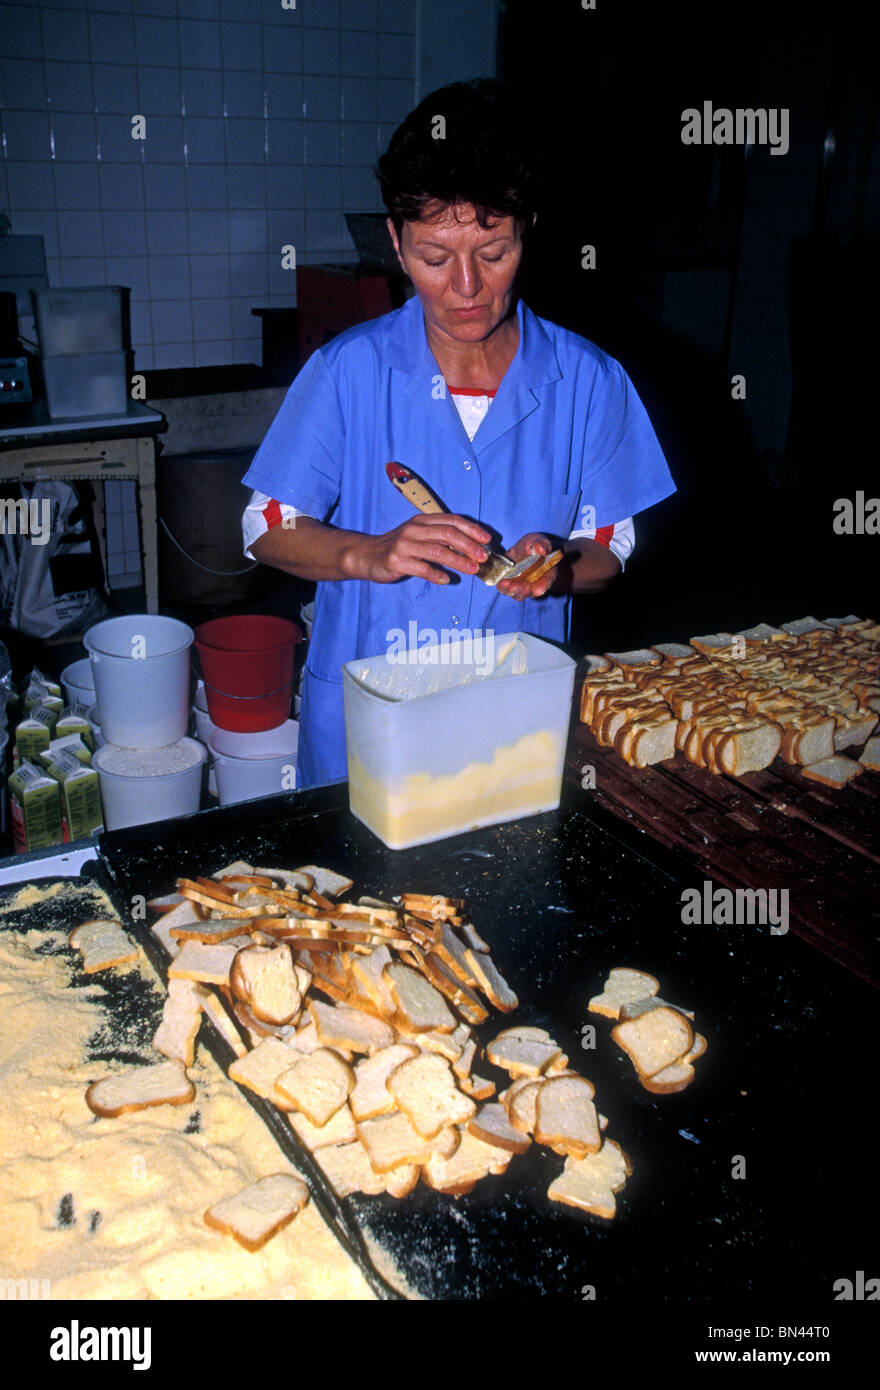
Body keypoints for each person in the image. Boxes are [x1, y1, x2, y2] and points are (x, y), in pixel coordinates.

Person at [242, 80, 675, 787]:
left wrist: (558, 561)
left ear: (528, 229)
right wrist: (369, 553)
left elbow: (612, 548)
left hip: (509, 730)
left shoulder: (589, 380)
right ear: (394, 240)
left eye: (494, 252)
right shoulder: (348, 372)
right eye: (434, 259)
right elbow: (264, 524)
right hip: (368, 728)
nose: (466, 287)